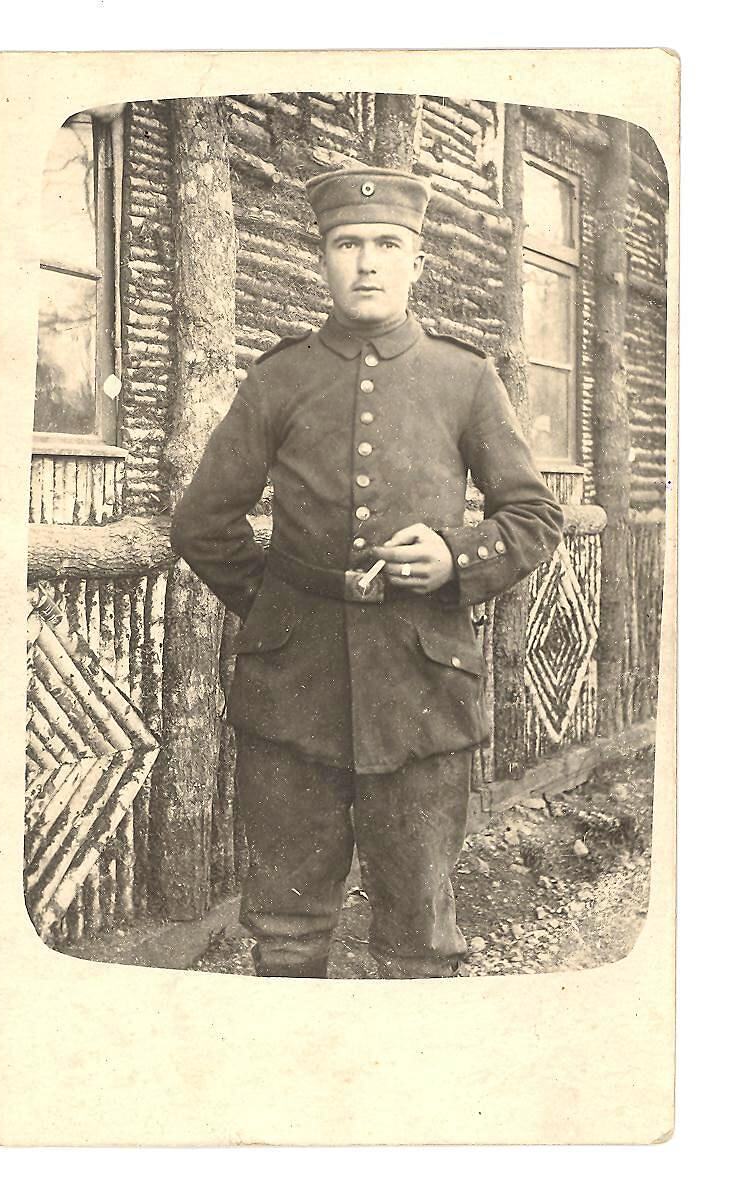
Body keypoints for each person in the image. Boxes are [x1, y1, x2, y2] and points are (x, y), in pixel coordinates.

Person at [171, 166, 563, 979]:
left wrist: (454, 556)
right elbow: (203, 523)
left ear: (417, 260)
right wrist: (285, 608)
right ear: (322, 259)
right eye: (348, 244)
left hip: (422, 694)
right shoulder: (279, 378)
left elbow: (533, 516)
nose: (368, 262)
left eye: (388, 244)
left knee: (419, 931)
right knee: (285, 928)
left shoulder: (464, 378)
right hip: (293, 699)